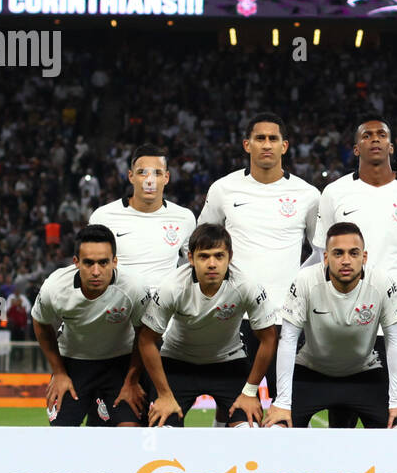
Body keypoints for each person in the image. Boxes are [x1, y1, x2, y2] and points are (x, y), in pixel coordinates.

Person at [313, 117, 397, 426]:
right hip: (345, 324)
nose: (375, 139)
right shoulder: (334, 192)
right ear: (356, 148)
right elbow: (321, 254)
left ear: (391, 146)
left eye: (381, 134)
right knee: (342, 423)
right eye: (367, 135)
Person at [198, 113, 321, 421]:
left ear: (285, 146)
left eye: (273, 139)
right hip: (233, 317)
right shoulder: (223, 189)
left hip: (287, 318)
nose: (266, 144)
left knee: (289, 412)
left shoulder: (307, 195)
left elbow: (321, 253)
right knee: (233, 411)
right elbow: (201, 245)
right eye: (260, 138)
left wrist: (297, 284)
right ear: (247, 145)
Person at [265, 222, 397, 428]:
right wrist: (282, 401)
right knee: (276, 430)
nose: (346, 260)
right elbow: (288, 339)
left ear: (364, 257)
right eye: (338, 253)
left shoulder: (382, 283)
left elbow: (395, 340)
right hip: (311, 371)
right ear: (326, 258)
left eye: (353, 253)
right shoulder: (305, 280)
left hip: (364, 372)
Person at [89, 143, 195, 422]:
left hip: (163, 336)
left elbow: (189, 270)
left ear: (167, 177)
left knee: (165, 420)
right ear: (130, 176)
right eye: (142, 172)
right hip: (117, 334)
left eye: (157, 172)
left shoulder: (184, 218)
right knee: (120, 422)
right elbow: (93, 266)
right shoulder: (104, 216)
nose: (150, 179)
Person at [136, 223, 278, 427]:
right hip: (177, 363)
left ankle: (221, 430)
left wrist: (250, 392)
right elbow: (146, 340)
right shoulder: (172, 287)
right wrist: (164, 394)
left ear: (230, 256)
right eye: (204, 256)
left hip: (229, 363)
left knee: (249, 430)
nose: (212, 263)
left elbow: (269, 338)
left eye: (219, 256)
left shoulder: (247, 285)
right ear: (190, 258)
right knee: (163, 430)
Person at [32, 225, 150, 427]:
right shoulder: (55, 287)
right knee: (62, 436)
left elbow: (145, 334)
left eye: (103, 262)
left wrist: (132, 380)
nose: (96, 271)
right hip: (73, 363)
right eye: (89, 263)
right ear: (76, 262)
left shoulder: (134, 287)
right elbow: (40, 323)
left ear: (115, 261)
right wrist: (59, 373)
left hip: (120, 363)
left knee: (130, 431)